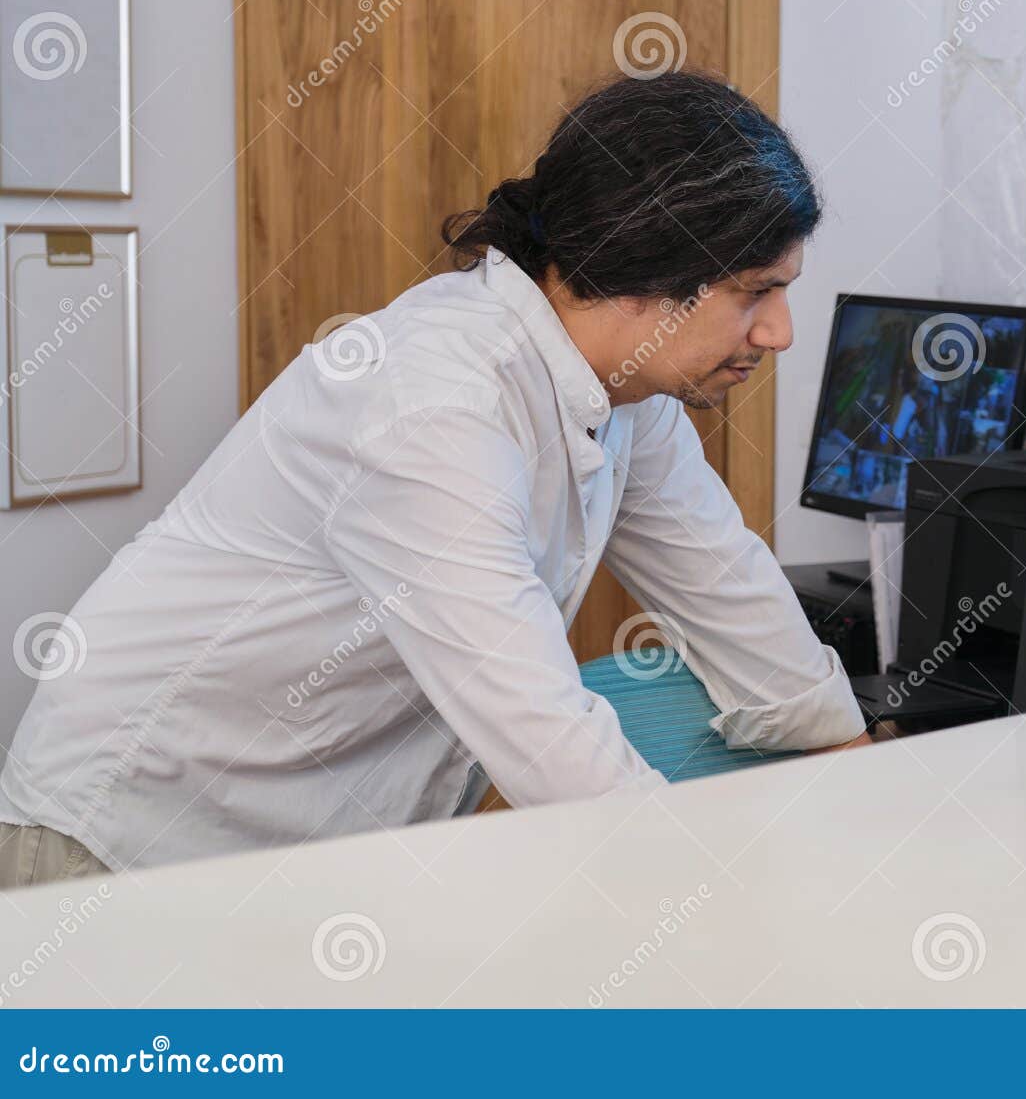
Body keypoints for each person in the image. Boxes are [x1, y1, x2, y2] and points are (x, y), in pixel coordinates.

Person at [0, 71, 869, 890]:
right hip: (127, 840)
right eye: (757, 291)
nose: (780, 332)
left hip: (301, 846)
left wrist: (858, 765)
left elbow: (726, 582)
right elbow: (551, 745)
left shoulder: (629, 391)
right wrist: (722, 903)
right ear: (645, 263)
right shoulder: (433, 404)